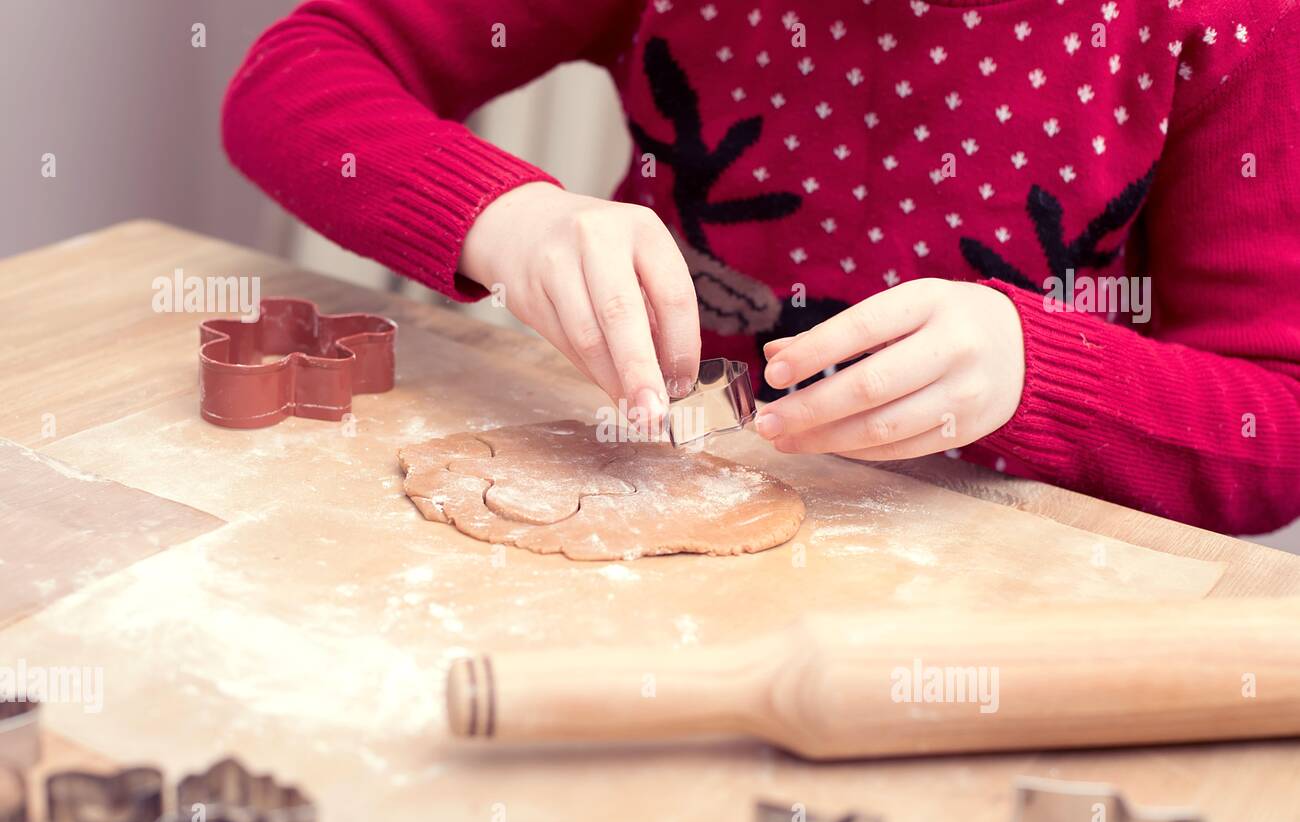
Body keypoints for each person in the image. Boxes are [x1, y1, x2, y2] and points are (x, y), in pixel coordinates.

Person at [223, 0, 1300, 534]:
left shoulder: (1234, 23)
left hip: (1005, 592)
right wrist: (510, 219)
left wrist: (1040, 374)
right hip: (656, 501)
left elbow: (1274, 427)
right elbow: (297, 75)